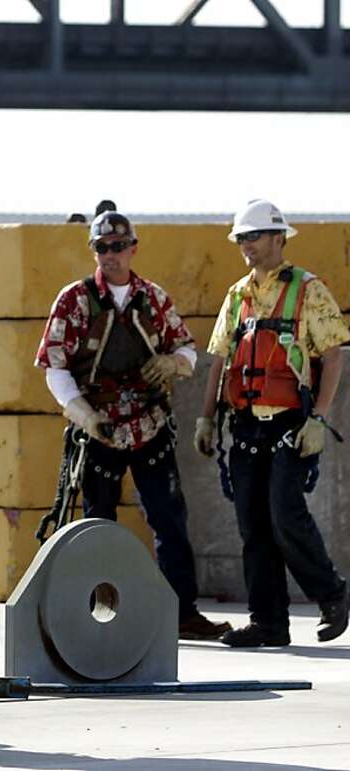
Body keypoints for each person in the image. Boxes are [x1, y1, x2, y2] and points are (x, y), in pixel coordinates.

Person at [35, 211, 231, 641]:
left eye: (118, 246)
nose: (111, 255)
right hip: (98, 428)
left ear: (133, 248)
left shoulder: (153, 298)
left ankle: (182, 615)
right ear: (94, 251)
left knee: (169, 520)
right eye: (102, 247)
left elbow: (187, 349)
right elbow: (54, 366)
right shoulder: (74, 300)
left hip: (150, 425)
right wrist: (85, 416)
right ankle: (94, 616)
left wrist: (174, 362)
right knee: (96, 526)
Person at [193, 199, 350, 647]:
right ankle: (268, 623)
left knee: (285, 514)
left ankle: (333, 594)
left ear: (279, 238)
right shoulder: (237, 294)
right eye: (242, 237)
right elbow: (219, 359)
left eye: (255, 236)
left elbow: (333, 355)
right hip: (245, 426)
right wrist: (206, 419)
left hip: (290, 425)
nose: (248, 245)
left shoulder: (308, 289)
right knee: (253, 525)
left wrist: (318, 417)